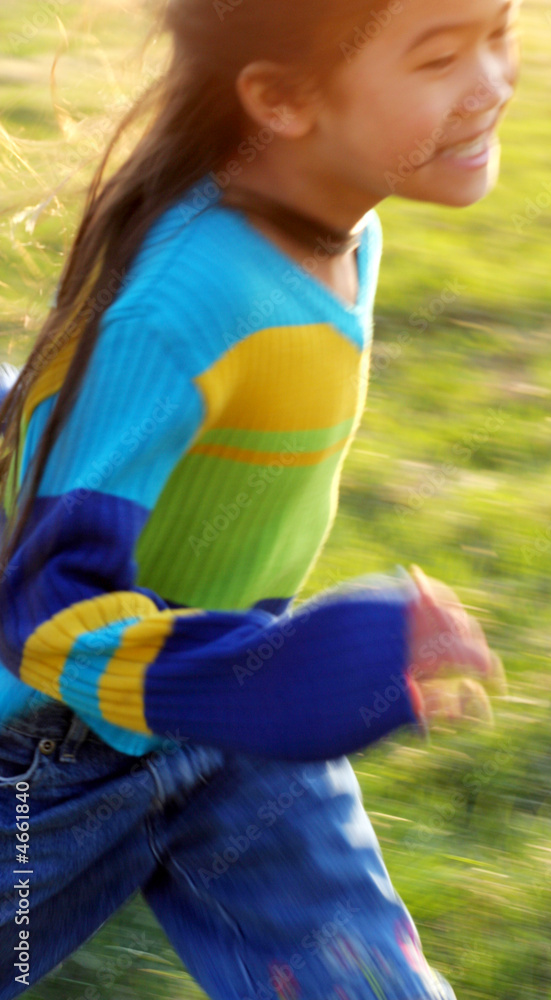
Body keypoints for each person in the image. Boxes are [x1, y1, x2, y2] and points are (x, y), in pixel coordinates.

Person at [0, 0, 519, 996]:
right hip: (53, 765)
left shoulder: (346, 229)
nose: (492, 83)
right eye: (442, 55)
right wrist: (275, 677)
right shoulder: (180, 306)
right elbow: (41, 615)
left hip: (235, 716)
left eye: (500, 34)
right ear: (283, 99)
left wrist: (266, 676)